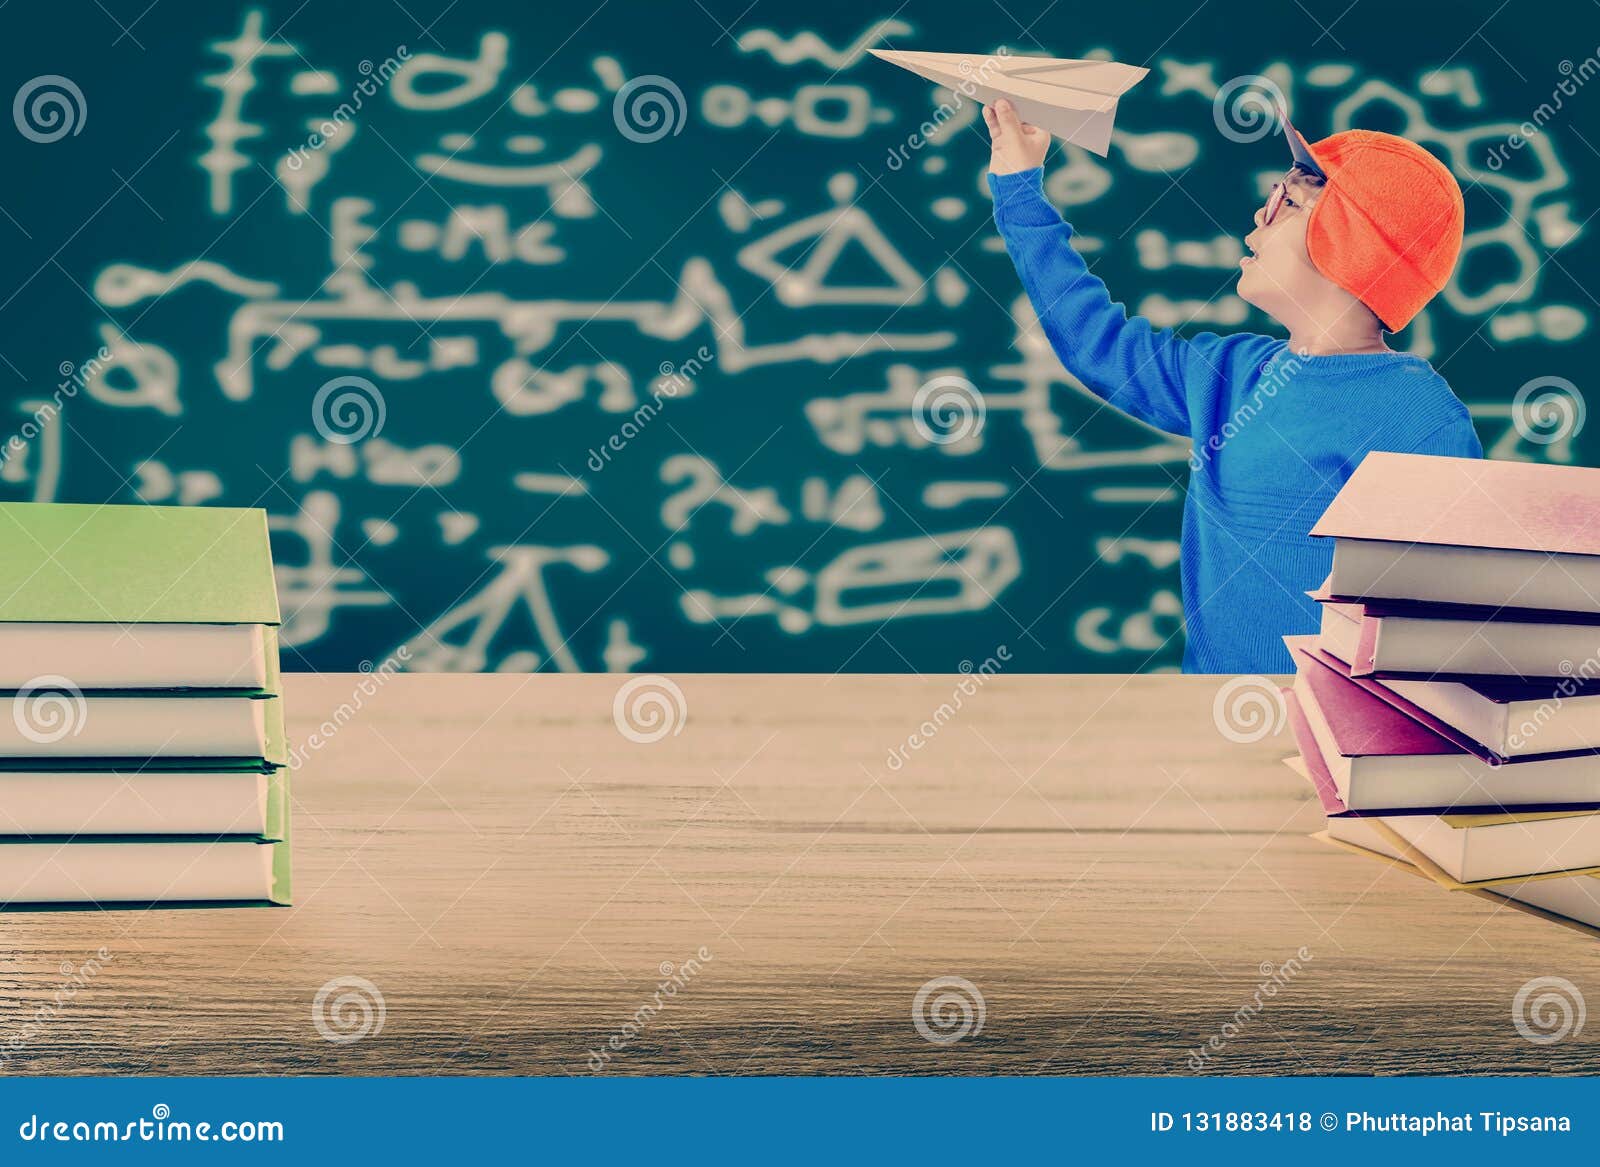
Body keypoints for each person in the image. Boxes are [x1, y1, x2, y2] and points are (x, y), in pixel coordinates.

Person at [984, 98, 1481, 674]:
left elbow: (1451, 612)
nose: (1259, 216)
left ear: (1348, 243)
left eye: (1287, 202)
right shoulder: (1230, 372)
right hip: (1211, 719)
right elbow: (1094, 341)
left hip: (1334, 742)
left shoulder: (1418, 415)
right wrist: (1018, 187)